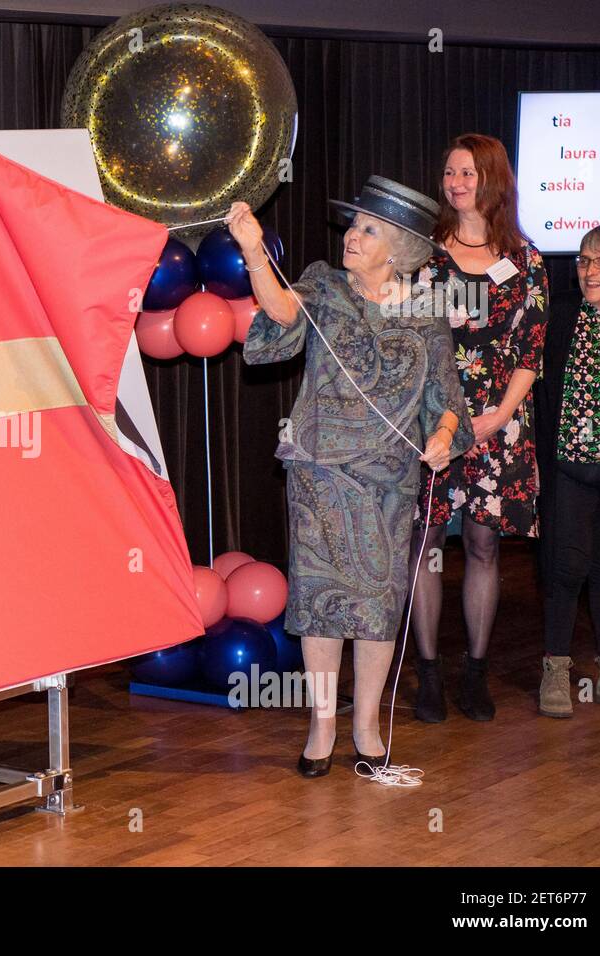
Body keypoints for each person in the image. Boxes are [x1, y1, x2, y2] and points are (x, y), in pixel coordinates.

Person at [231, 175, 473, 777]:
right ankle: (320, 727)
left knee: (377, 606)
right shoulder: (322, 283)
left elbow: (447, 400)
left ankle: (366, 727)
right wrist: (254, 251)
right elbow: (282, 313)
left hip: (389, 483)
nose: (352, 237)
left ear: (397, 248)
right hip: (320, 472)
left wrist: (442, 437)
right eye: (354, 226)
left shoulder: (426, 313)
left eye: (369, 229)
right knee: (319, 600)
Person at [409, 134, 548, 723]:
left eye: (467, 172)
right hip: (431, 424)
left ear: (492, 180)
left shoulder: (526, 260)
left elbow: (531, 353)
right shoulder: (421, 255)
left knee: (486, 546)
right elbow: (406, 344)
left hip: (500, 423)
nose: (456, 183)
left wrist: (495, 418)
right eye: (449, 173)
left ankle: (475, 673)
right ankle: (429, 676)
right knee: (428, 545)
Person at [535, 221, 600, 717]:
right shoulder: (561, 318)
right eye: (582, 260)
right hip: (571, 468)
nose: (589, 271)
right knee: (565, 566)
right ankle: (556, 666)